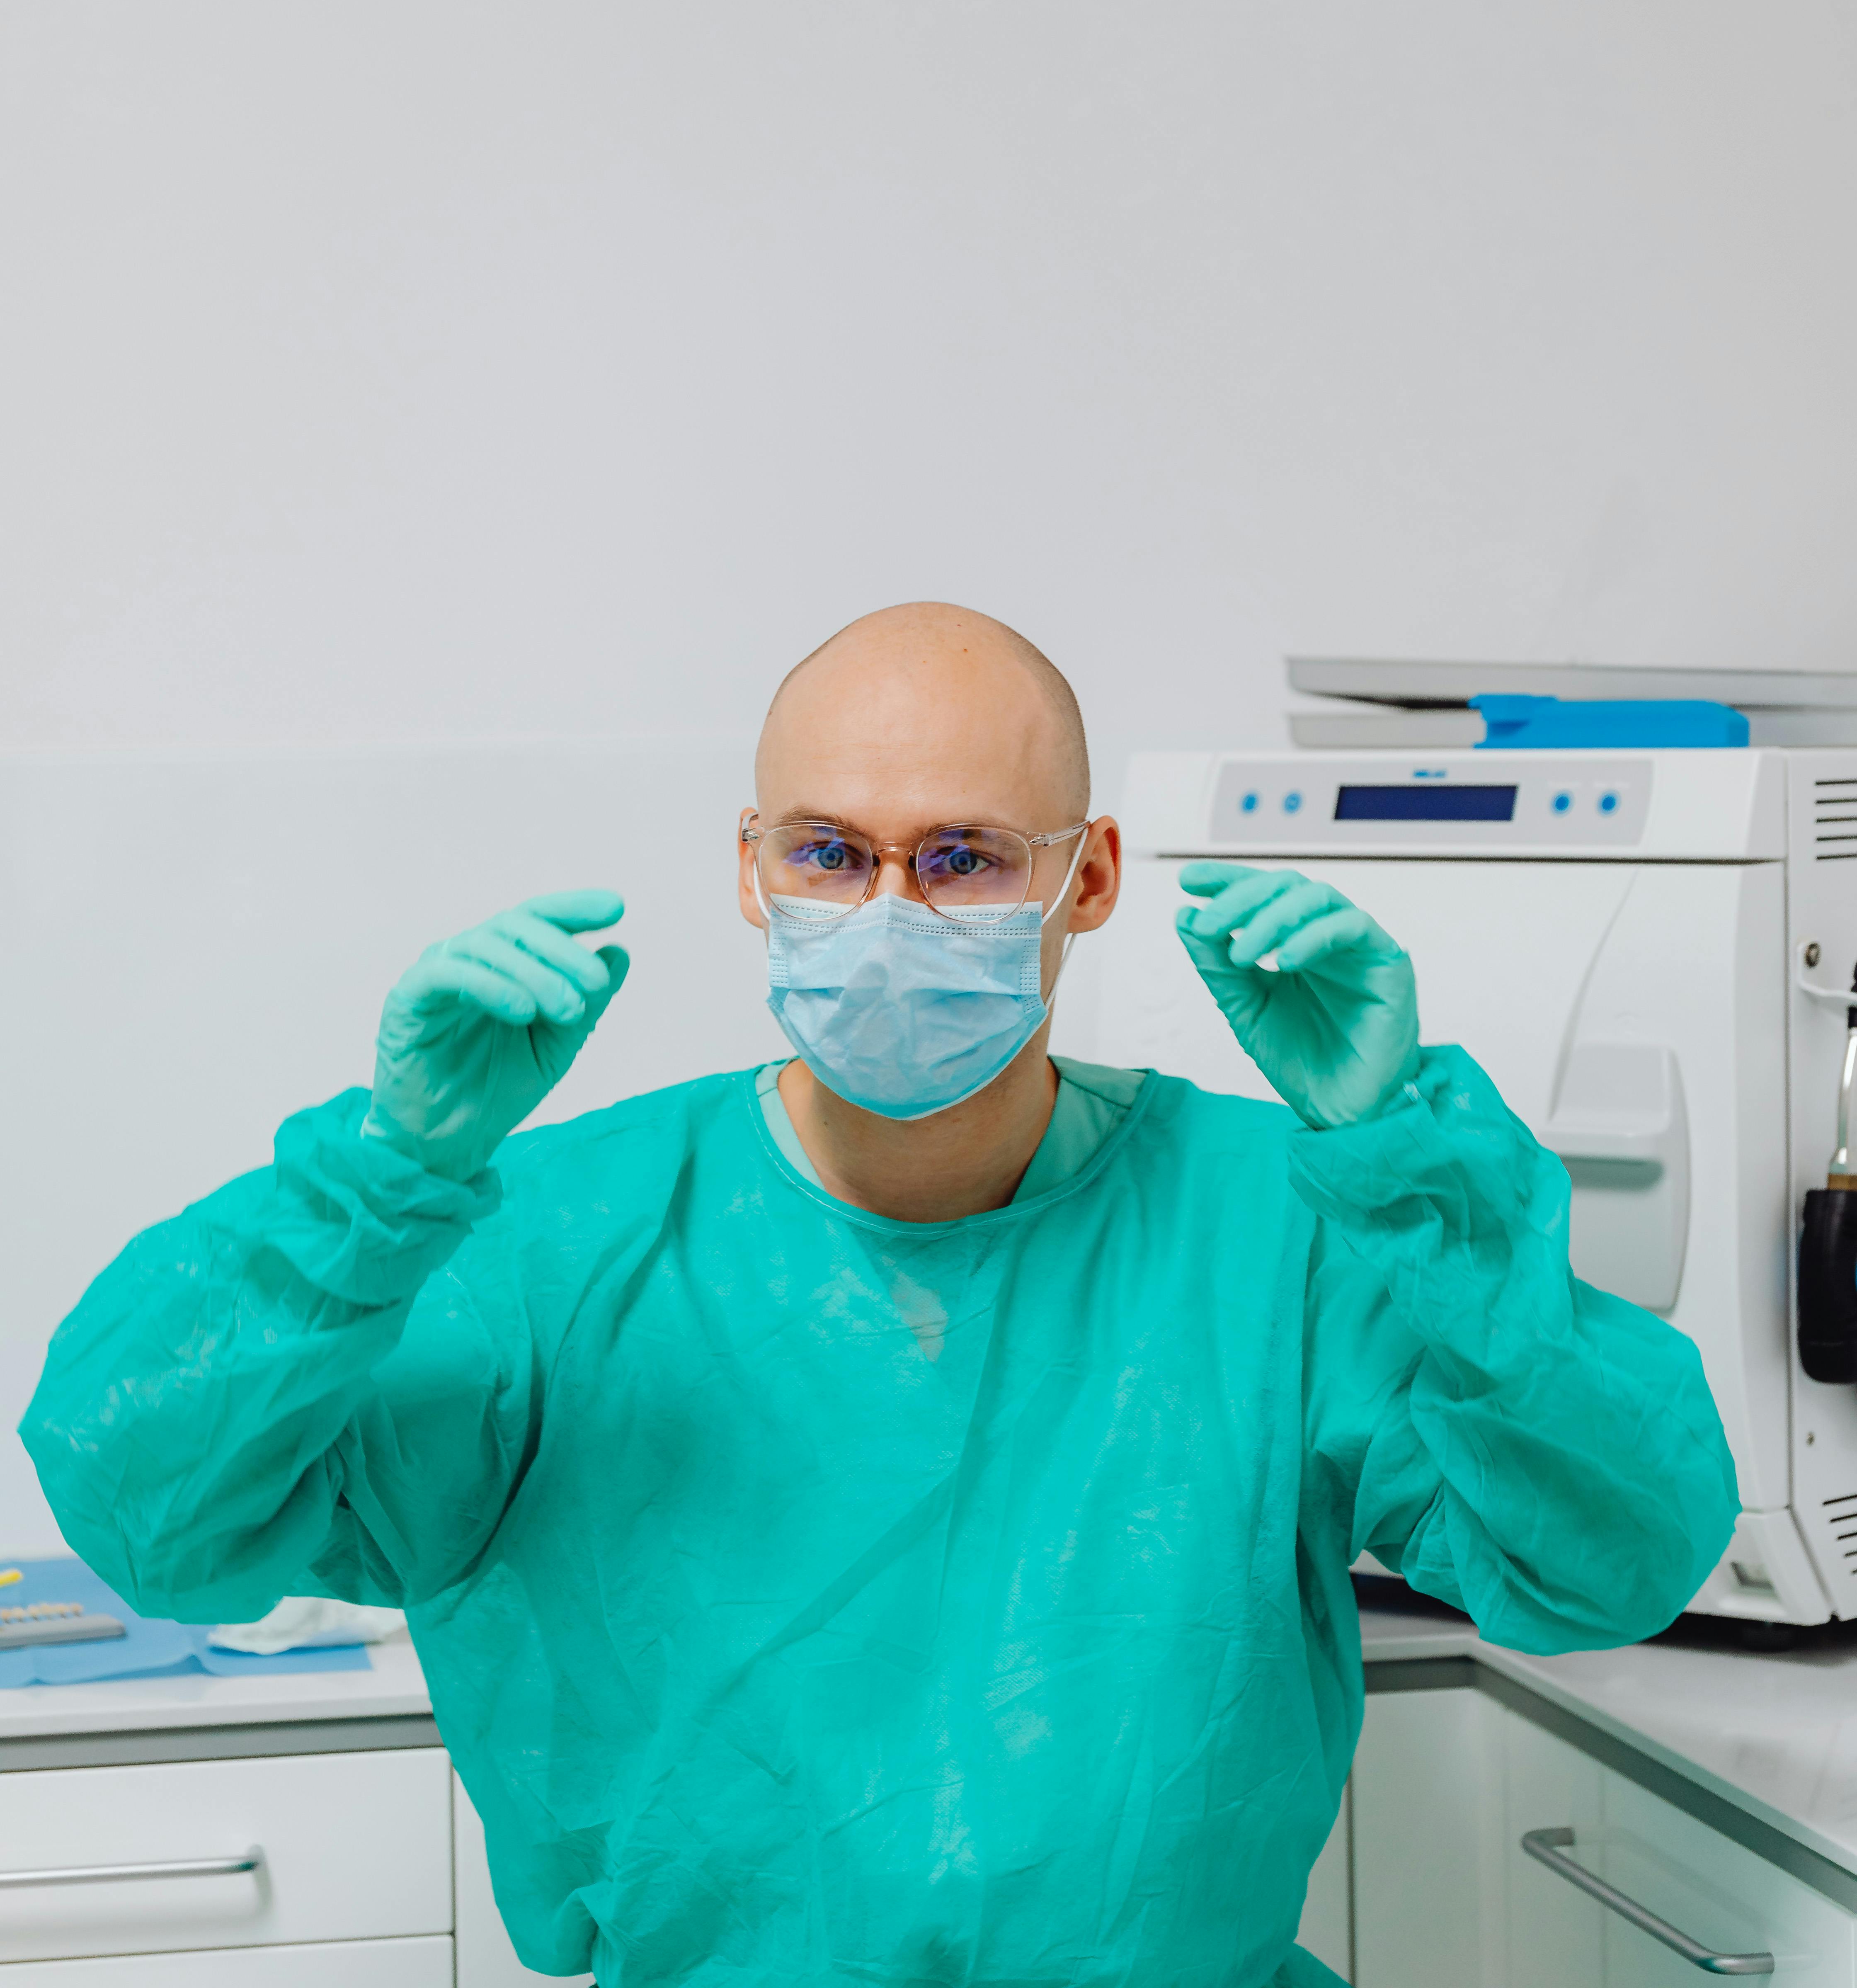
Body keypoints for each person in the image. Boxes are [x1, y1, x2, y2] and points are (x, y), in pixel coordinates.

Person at [24, 602, 1737, 1988]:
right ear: (752, 866)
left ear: (1091, 878)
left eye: (966, 858)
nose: (891, 915)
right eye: (833, 853)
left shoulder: (1270, 1223)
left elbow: (1611, 1559)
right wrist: (379, 1171)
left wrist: (1398, 1155)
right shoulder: (547, 1239)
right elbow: (150, 1514)